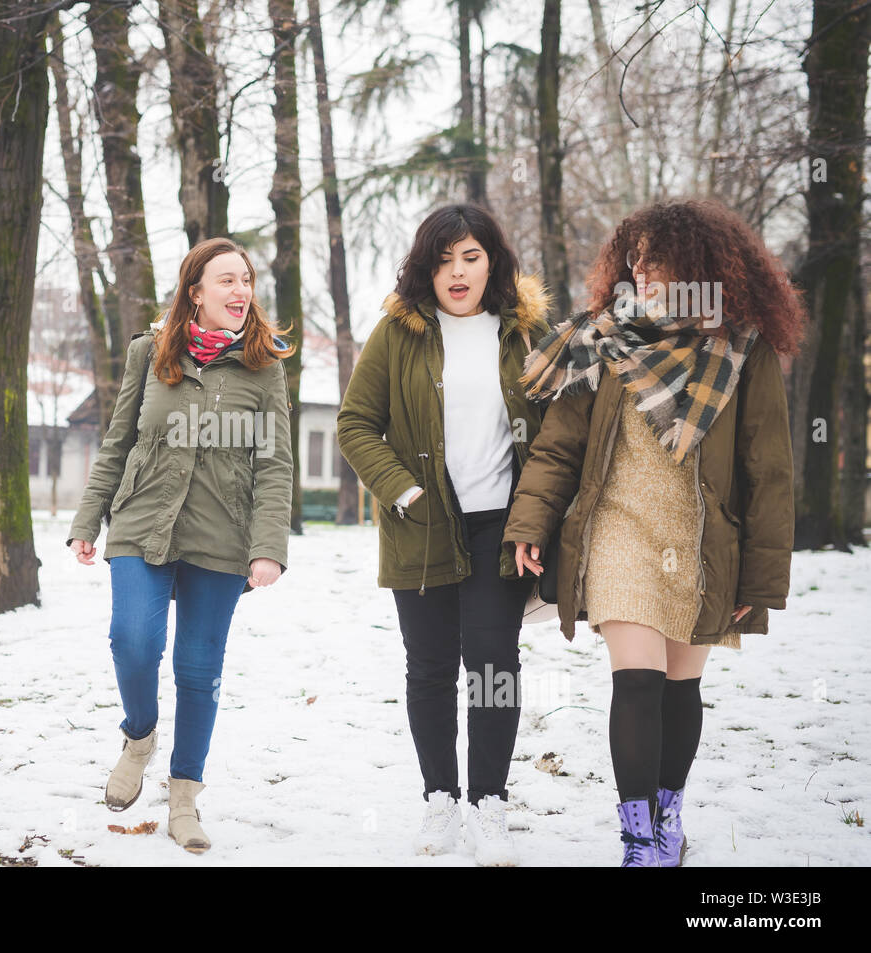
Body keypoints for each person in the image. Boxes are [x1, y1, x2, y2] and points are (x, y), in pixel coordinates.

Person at [504, 198, 801, 866]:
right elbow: (556, 449)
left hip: (701, 540)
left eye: (659, 259)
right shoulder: (601, 341)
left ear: (700, 266)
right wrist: (530, 522)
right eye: (635, 259)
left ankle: (669, 813)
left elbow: (771, 471)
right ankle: (640, 840)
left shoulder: (740, 349)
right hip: (616, 533)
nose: (645, 271)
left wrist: (758, 575)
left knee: (678, 687)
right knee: (635, 681)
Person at [337, 204, 552, 865]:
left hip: (501, 527)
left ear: (494, 262)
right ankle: (441, 799)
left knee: (494, 664)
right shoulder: (398, 333)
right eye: (442, 259)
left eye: (471, 257)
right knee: (429, 668)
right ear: (424, 269)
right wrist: (404, 490)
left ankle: (489, 802)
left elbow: (554, 436)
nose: (457, 272)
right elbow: (354, 424)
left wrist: (540, 517)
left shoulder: (526, 333)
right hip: (421, 523)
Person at [66, 237, 294, 854]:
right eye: (226, 280)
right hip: (142, 522)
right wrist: (88, 520)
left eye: (246, 280)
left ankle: (185, 795)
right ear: (195, 291)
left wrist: (268, 545)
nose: (240, 291)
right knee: (133, 640)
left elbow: (275, 463)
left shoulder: (264, 366)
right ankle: (139, 736)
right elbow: (117, 443)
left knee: (198, 670)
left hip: (223, 537)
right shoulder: (150, 352)